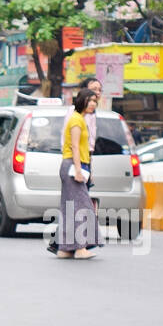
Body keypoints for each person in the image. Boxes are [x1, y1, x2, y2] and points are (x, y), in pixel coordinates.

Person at [55, 89, 100, 260]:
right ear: (82, 100)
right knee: (83, 207)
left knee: (70, 207)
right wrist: (79, 170)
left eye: (95, 101)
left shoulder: (80, 119)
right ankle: (80, 248)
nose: (93, 104)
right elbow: (75, 146)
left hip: (73, 166)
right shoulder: (76, 120)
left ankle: (65, 249)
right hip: (72, 167)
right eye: (90, 100)